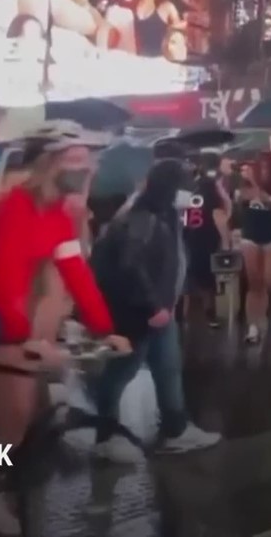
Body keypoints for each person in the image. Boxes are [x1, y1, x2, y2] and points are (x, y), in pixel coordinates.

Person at [0, 128, 129, 534]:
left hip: (10, 321)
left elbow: (77, 273)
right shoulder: (11, 208)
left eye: (85, 160)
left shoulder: (58, 217)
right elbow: (4, 279)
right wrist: (28, 342)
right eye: (72, 159)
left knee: (17, 418)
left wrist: (104, 328)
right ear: (47, 164)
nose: (83, 168)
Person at [91, 159, 222, 459]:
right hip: (142, 312)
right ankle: (106, 435)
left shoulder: (165, 214)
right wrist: (152, 305)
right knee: (120, 371)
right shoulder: (144, 217)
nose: (190, 193)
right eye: (184, 187)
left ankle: (176, 429)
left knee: (168, 369)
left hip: (161, 310)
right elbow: (131, 265)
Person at [234, 154, 271, 343]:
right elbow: (239, 206)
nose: (262, 171)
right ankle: (253, 327)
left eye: (266, 167)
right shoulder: (245, 188)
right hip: (251, 236)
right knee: (254, 283)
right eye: (260, 167)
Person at [183, 151, 231, 327]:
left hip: (189, 236)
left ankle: (184, 318)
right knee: (208, 279)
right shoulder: (211, 188)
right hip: (207, 237)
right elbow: (219, 214)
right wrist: (226, 242)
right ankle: (210, 314)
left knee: (188, 278)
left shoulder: (189, 186)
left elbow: (183, 212)